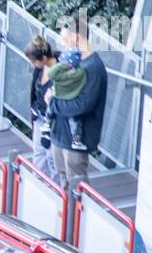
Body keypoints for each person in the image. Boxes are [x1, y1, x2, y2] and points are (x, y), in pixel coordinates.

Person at [46, 15, 107, 192]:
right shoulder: (73, 60)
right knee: (63, 180)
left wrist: (53, 102)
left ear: (76, 37)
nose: (63, 45)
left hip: (76, 139)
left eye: (65, 40)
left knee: (77, 185)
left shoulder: (94, 67)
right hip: (60, 133)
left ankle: (79, 218)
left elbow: (82, 105)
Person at [24, 36, 60, 181]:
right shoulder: (40, 69)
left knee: (52, 157)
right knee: (38, 152)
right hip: (39, 115)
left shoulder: (61, 71)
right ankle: (36, 183)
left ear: (44, 58)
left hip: (52, 121)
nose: (33, 64)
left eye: (34, 61)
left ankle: (57, 190)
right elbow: (34, 91)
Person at [46, 47, 88, 151]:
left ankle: (47, 122)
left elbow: (51, 74)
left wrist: (61, 65)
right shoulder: (80, 72)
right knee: (75, 121)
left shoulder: (62, 75)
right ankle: (76, 140)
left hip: (60, 97)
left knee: (50, 106)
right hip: (72, 100)